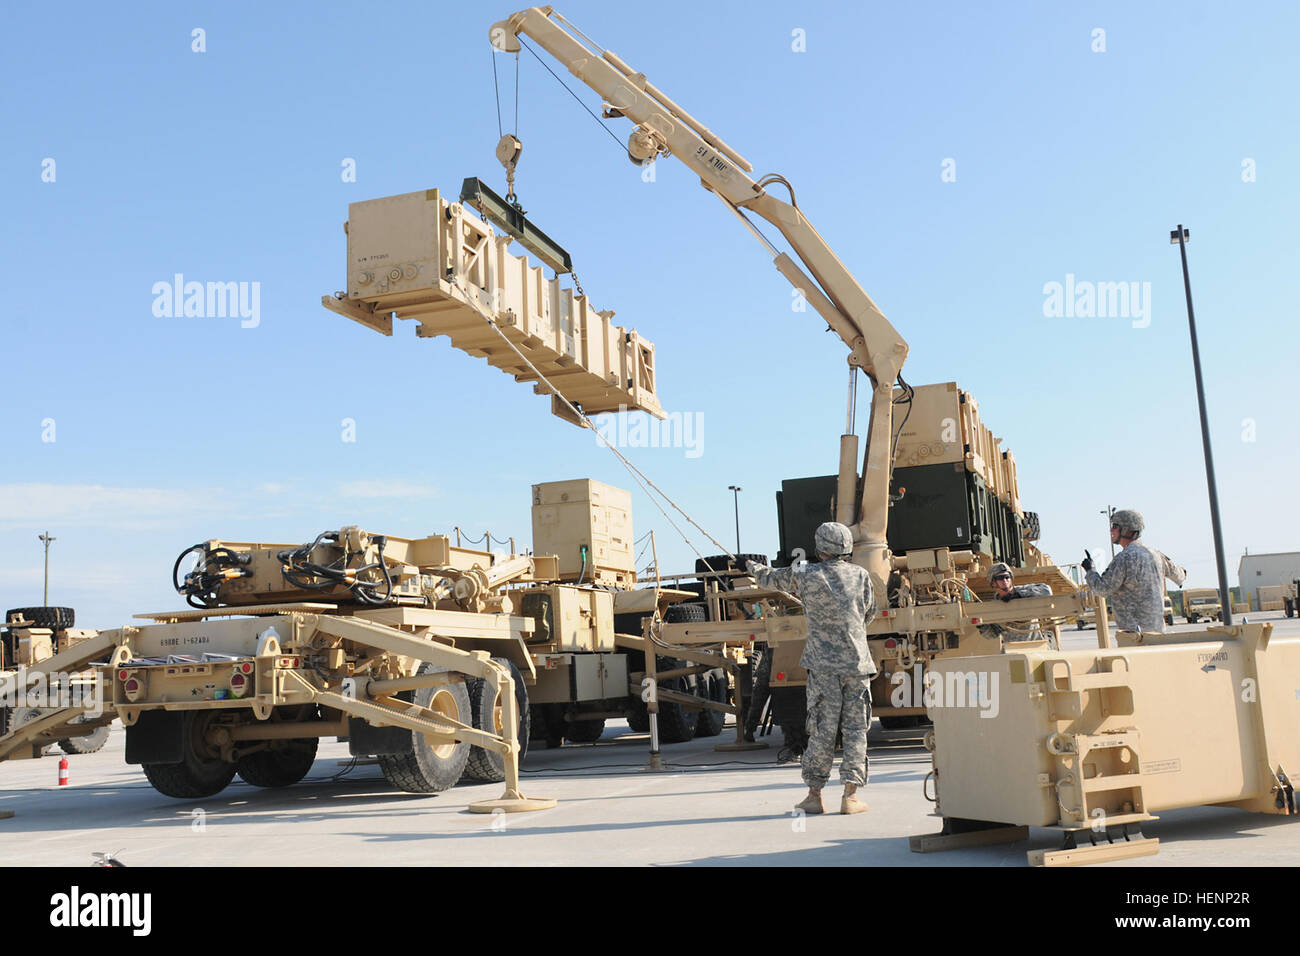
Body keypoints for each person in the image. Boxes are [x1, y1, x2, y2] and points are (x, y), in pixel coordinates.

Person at [747, 522, 876, 815]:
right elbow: (869, 612)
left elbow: (770, 579)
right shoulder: (861, 576)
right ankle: (851, 797)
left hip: (822, 667)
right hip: (857, 664)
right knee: (856, 729)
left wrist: (751, 567)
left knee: (821, 729)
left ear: (820, 548)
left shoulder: (807, 573)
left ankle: (815, 795)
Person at [1083, 509, 1187, 634]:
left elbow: (1102, 589)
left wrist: (1090, 570)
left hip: (1135, 637)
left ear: (1127, 530)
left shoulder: (1124, 558)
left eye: (1115, 527)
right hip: (1158, 635)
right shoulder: (1156, 555)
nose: (1111, 531)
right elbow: (1180, 575)